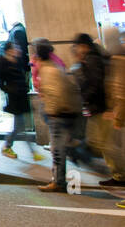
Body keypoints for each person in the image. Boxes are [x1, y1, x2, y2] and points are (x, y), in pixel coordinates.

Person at [34, 38, 80, 192]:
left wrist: (51, 112)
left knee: (58, 150)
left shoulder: (47, 69)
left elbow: (55, 94)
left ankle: (59, 182)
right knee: (60, 148)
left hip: (57, 114)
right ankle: (59, 180)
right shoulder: (55, 65)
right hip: (62, 114)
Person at [0, 40, 44, 161]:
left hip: (21, 96)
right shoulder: (3, 62)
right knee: (21, 125)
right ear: (8, 50)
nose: (17, 49)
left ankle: (7, 146)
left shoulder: (17, 60)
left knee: (18, 126)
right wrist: (8, 89)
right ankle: (32, 152)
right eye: (15, 47)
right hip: (14, 98)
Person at [70, 32, 109, 172]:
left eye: (77, 46)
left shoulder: (92, 59)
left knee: (99, 140)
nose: (76, 50)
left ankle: (77, 153)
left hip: (97, 105)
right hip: (97, 105)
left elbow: (94, 83)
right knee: (96, 138)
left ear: (83, 46)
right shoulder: (93, 57)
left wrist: (86, 98)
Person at [100, 27, 125, 187]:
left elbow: (120, 90)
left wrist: (118, 117)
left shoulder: (118, 58)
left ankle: (120, 177)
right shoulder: (116, 56)